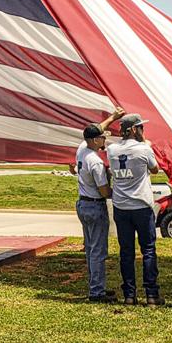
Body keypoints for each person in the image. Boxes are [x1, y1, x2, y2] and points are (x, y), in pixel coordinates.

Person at [106, 114, 163, 304]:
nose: (142, 131)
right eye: (140, 128)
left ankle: (129, 294)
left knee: (126, 251)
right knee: (148, 250)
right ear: (133, 130)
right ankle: (151, 294)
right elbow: (155, 170)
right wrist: (146, 143)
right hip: (141, 205)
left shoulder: (112, 149)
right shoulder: (144, 149)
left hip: (121, 206)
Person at [75, 123, 116, 302]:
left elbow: (95, 129)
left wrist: (113, 117)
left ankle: (95, 285)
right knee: (98, 251)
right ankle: (96, 291)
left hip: (83, 203)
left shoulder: (82, 150)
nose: (104, 139)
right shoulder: (96, 162)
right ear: (94, 140)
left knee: (91, 249)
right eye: (101, 137)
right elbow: (104, 191)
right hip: (95, 205)